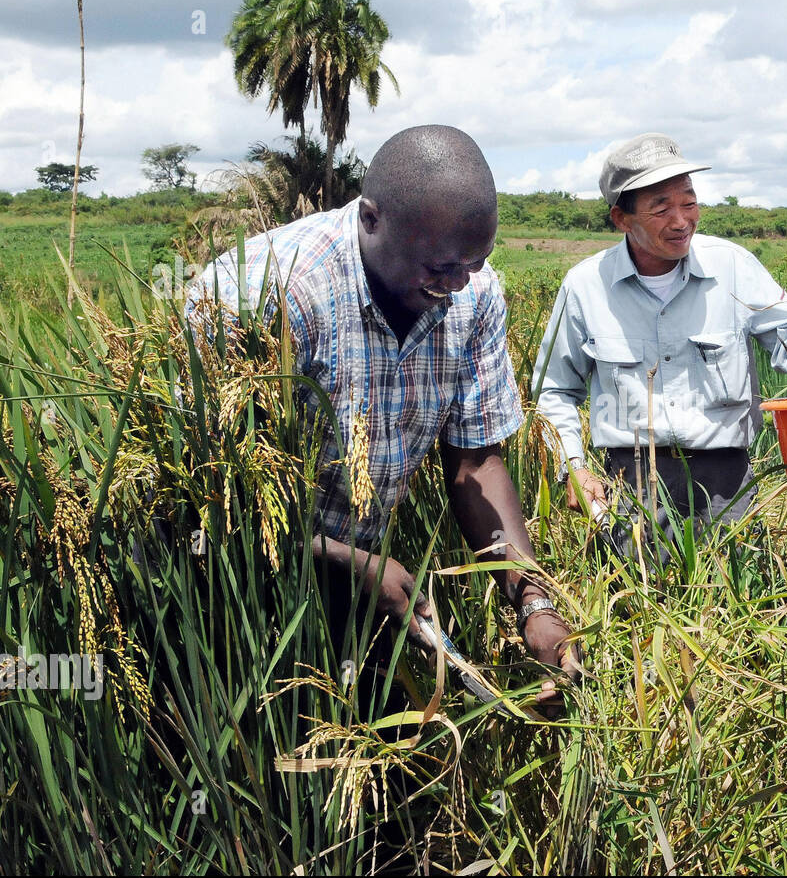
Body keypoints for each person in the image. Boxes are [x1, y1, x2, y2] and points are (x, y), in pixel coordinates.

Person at [190, 125, 579, 695]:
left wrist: (533, 599)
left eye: (474, 262)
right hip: (232, 586)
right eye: (440, 266)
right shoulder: (266, 295)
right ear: (370, 219)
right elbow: (205, 497)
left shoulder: (473, 289)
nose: (456, 284)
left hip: (367, 584)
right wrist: (349, 561)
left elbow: (476, 463)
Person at [532, 133, 787, 555]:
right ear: (621, 219)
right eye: (661, 208)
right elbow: (553, 390)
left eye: (689, 202)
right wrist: (573, 467)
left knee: (737, 609)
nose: (681, 221)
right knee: (638, 611)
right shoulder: (586, 286)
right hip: (631, 489)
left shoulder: (732, 267)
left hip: (727, 490)